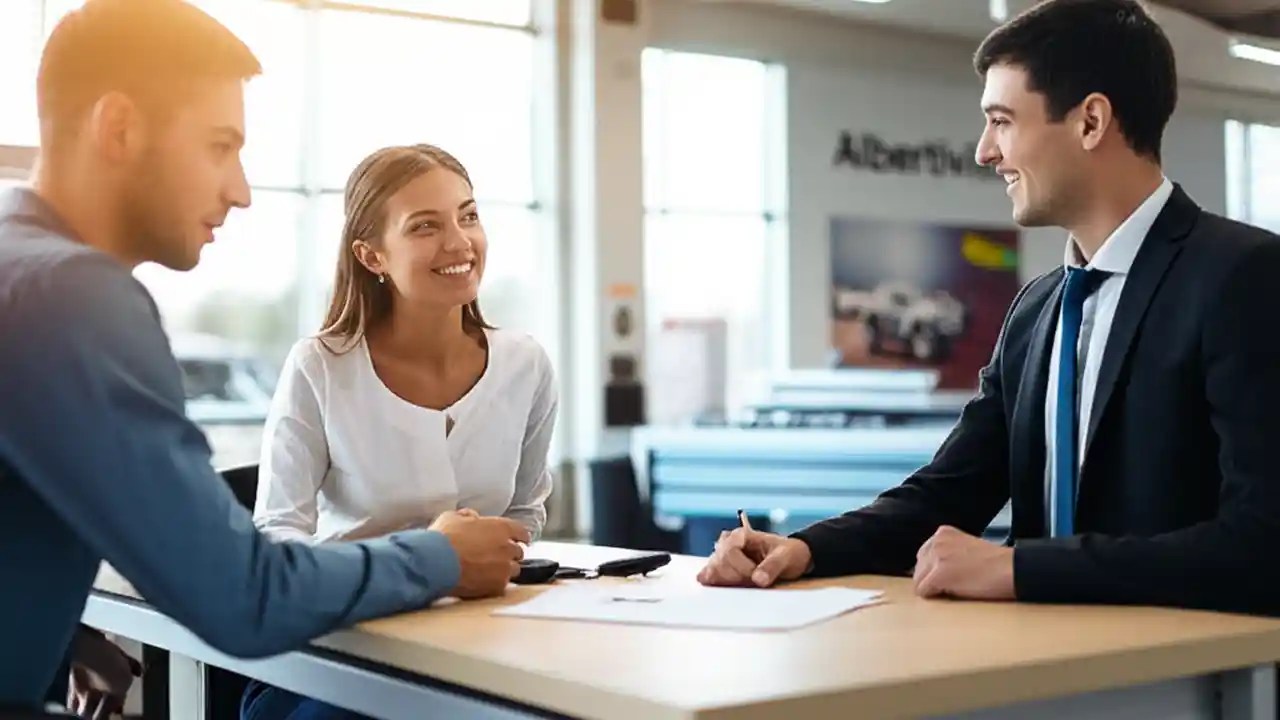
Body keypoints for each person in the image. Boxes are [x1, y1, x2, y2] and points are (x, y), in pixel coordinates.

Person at [0, 1, 528, 715]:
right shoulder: (73, 297)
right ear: (119, 127)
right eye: (220, 147)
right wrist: (443, 556)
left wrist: (58, 638)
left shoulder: (16, 266)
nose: (240, 190)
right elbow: (242, 597)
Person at [699, 0, 1280, 617]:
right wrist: (804, 549)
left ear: (1090, 122)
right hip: (1038, 672)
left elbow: (1263, 542)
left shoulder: (1242, 277)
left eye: (1001, 121)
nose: (984, 151)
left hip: (1190, 685)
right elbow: (949, 492)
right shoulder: (1037, 309)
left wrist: (1020, 565)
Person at [241, 144, 558, 720]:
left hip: (476, 646)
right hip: (339, 653)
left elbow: (524, 511)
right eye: (425, 227)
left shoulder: (526, 364)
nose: (460, 242)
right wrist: (423, 563)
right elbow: (278, 533)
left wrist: (488, 561)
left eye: (468, 215)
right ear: (372, 256)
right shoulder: (321, 366)